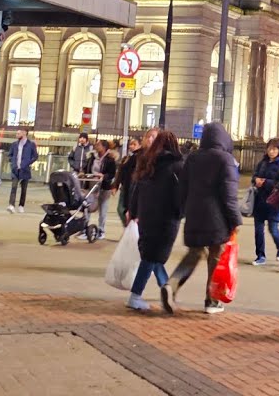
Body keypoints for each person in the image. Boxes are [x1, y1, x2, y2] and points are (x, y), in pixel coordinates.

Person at [171, 122, 242, 314]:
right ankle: (212, 301)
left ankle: (172, 283)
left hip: (194, 214)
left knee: (194, 253)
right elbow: (229, 194)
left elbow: (182, 188)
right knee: (216, 258)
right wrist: (235, 220)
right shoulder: (225, 159)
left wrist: (183, 209)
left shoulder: (193, 158)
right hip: (217, 218)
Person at [126, 130, 184, 312]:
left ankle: (166, 289)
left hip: (146, 216)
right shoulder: (177, 166)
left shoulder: (148, 162)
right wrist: (180, 212)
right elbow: (180, 195)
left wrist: (133, 210)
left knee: (152, 255)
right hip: (166, 219)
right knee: (152, 256)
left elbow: (136, 189)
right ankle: (136, 296)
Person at [252, 138, 279, 265]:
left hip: (275, 201)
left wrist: (266, 182)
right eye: (269, 148)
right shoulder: (263, 162)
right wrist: (255, 180)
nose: (271, 151)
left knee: (273, 228)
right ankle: (260, 255)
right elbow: (255, 174)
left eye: (274, 149)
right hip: (260, 200)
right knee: (258, 229)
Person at [6, 127, 39, 214]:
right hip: (15, 169)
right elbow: (10, 155)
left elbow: (35, 156)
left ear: (24, 133)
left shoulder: (31, 144)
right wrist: (13, 163)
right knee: (14, 187)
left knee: (24, 189)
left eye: (18, 133)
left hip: (25, 169)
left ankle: (21, 205)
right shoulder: (14, 144)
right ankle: (11, 205)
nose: (17, 135)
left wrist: (28, 163)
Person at [92, 139, 118, 236]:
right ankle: (84, 229)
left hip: (104, 187)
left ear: (104, 147)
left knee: (103, 209)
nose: (96, 146)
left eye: (98, 145)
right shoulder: (92, 157)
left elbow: (112, 174)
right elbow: (87, 168)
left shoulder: (110, 159)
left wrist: (103, 176)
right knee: (87, 206)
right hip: (92, 186)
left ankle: (101, 230)